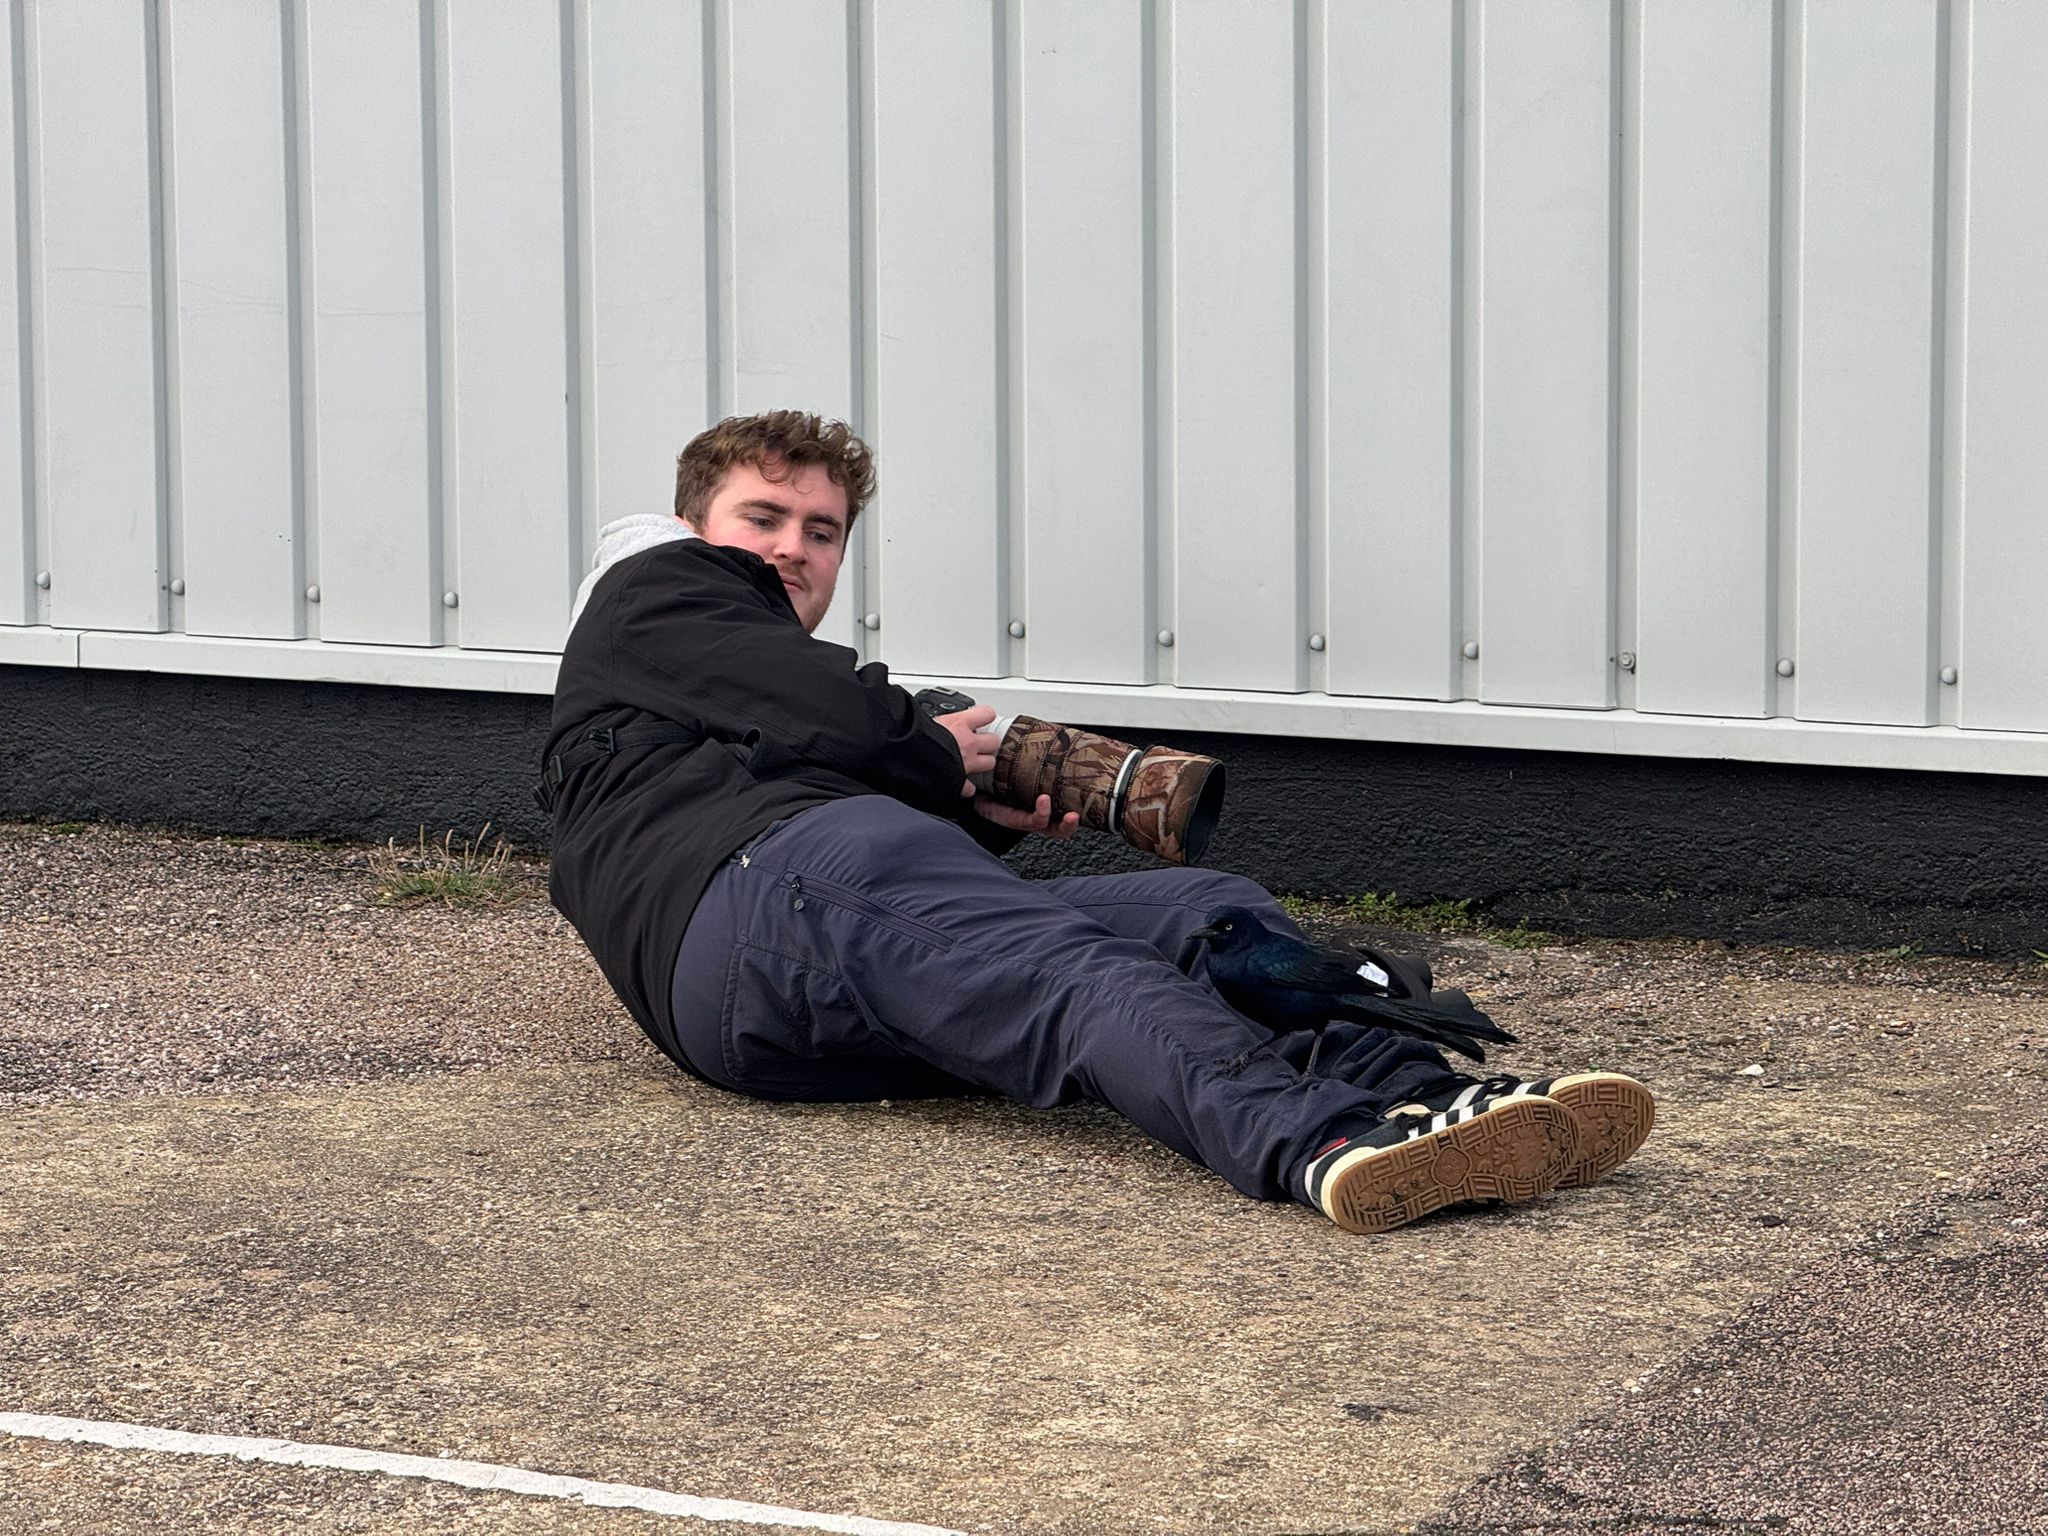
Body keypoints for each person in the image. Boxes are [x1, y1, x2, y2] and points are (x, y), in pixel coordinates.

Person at [542, 411, 1653, 1235]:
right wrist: (932, 749)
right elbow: (835, 732)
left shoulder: (700, 671)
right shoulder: (656, 584)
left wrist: (967, 810)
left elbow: (869, 886)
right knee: (1071, 971)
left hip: (769, 991)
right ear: (694, 528)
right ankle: (1317, 1139)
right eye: (763, 518)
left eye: (822, 530)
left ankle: (1424, 1100)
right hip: (750, 899)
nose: (793, 546)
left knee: (1200, 914)